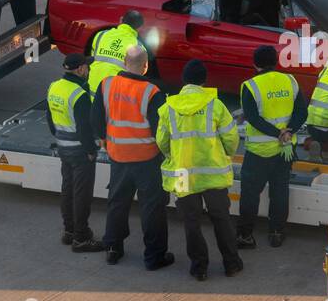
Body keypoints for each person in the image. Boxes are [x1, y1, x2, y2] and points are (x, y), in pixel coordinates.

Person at [156, 59, 242, 281]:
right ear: (205, 81)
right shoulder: (216, 105)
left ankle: (199, 268)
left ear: (184, 80)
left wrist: (174, 155)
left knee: (191, 221)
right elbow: (231, 138)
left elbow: (162, 142)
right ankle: (231, 263)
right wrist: (225, 155)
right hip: (212, 171)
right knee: (221, 218)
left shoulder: (168, 108)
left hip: (183, 174)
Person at [90, 45, 174, 270]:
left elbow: (96, 117)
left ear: (124, 63)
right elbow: (160, 130)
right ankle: (154, 257)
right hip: (147, 159)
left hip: (118, 156)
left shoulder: (106, 84)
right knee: (152, 208)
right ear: (145, 66)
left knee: (117, 203)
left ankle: (112, 248)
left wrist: (102, 139)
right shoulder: (152, 92)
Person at [237, 45, 306, 249]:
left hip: (259, 152)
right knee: (279, 191)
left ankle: (245, 235)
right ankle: (277, 232)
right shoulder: (290, 80)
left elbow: (252, 119)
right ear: (276, 62)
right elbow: (302, 112)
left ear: (254, 63)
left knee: (250, 193)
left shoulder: (250, 86)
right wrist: (288, 132)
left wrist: (277, 132)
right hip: (285, 150)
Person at [47, 53, 104, 253]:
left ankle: (69, 231)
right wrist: (91, 150)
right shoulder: (79, 94)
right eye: (86, 68)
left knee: (67, 190)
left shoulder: (54, 87)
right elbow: (84, 128)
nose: (88, 71)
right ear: (80, 69)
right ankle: (81, 238)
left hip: (63, 148)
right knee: (82, 195)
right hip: (80, 152)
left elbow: (50, 120)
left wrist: (60, 136)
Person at [87, 10, 143, 94]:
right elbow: (136, 77)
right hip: (113, 98)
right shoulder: (139, 48)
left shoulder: (101, 35)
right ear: (139, 28)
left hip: (91, 90)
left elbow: (93, 57)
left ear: (121, 20)